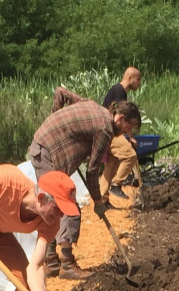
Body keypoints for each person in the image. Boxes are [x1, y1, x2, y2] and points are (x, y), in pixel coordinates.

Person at [30, 87, 142, 279]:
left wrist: (55, 121)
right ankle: (66, 264)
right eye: (129, 127)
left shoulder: (93, 105)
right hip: (47, 154)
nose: (127, 132)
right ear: (120, 118)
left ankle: (51, 261)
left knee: (54, 205)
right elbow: (92, 170)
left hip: (44, 148)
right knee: (68, 208)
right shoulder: (105, 129)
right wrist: (98, 201)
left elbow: (61, 93)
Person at [100, 67, 143, 203]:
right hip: (109, 131)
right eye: (138, 79)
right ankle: (116, 184)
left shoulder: (118, 90)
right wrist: (130, 138)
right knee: (130, 155)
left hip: (108, 131)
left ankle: (103, 200)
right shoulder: (120, 91)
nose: (139, 83)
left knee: (111, 165)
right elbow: (123, 118)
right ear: (130, 78)